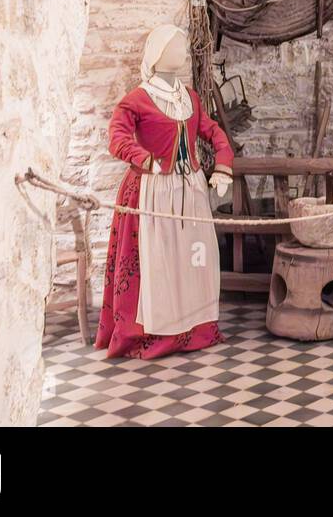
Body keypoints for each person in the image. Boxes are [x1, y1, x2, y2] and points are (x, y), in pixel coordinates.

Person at [94, 24, 233, 358]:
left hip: (191, 191)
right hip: (152, 193)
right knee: (159, 259)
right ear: (158, 54)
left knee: (194, 259)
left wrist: (223, 169)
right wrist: (147, 161)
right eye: (177, 46)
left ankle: (194, 327)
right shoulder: (137, 99)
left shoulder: (190, 97)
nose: (183, 51)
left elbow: (212, 132)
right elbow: (118, 138)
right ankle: (156, 332)